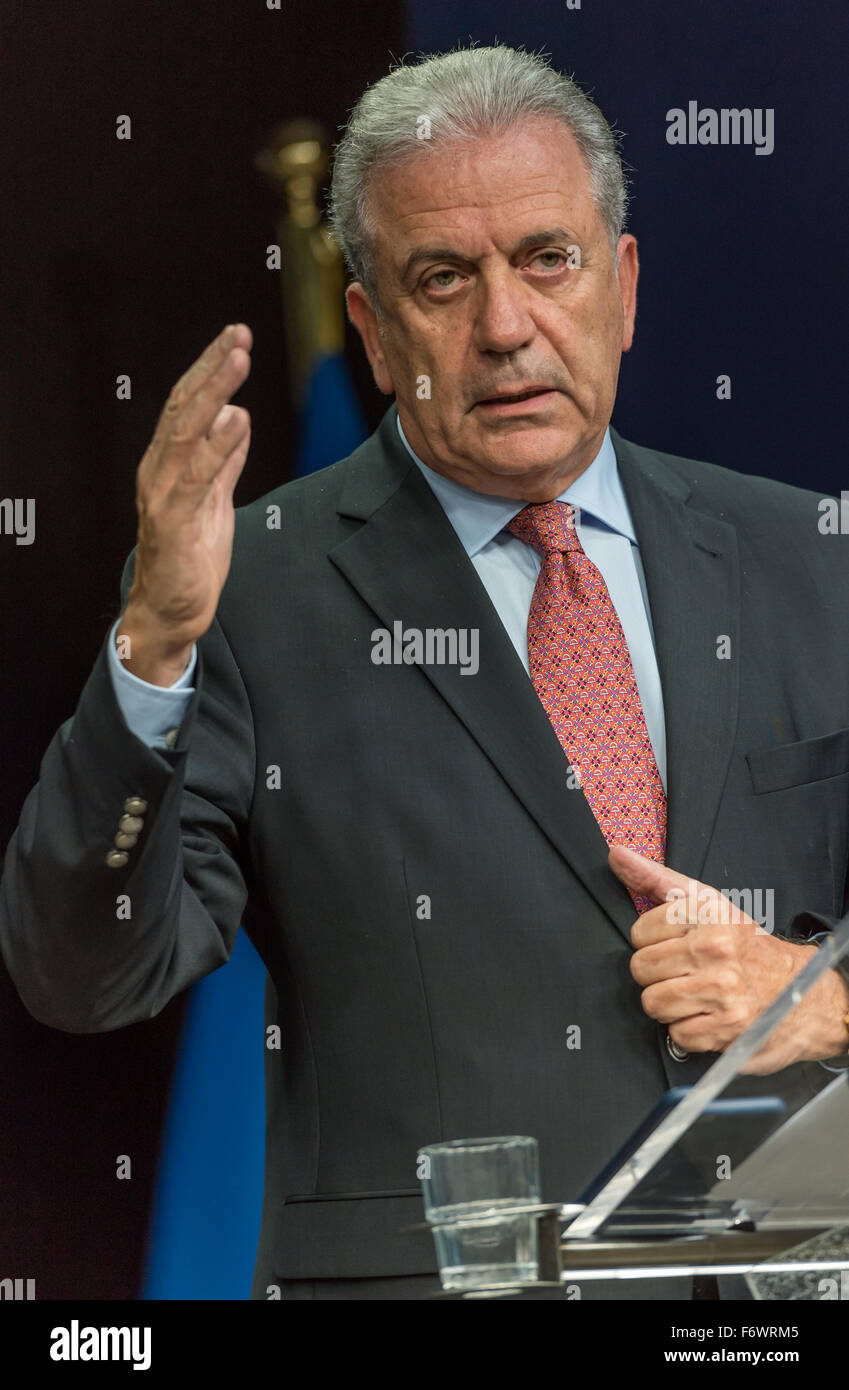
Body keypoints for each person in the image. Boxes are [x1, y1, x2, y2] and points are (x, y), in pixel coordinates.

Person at [3, 44, 849, 1303]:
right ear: (372, 326)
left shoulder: (811, 555)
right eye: (443, 279)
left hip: (784, 1286)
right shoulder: (252, 593)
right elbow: (85, 975)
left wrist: (822, 997)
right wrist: (152, 646)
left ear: (622, 285)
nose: (506, 327)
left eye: (546, 261)